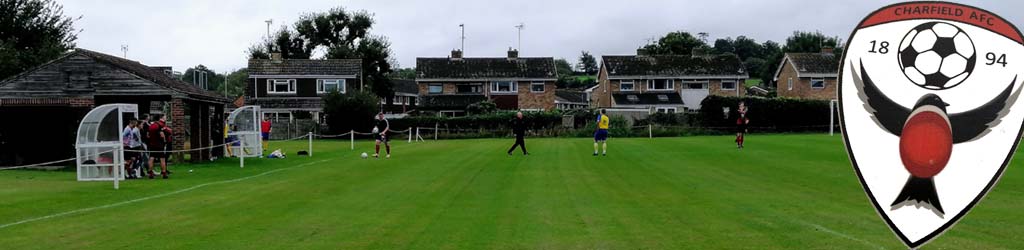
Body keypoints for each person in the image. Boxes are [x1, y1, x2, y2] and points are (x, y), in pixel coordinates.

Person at [147, 115, 170, 179]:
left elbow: (148, 135)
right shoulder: (160, 125)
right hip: (159, 145)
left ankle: (150, 172)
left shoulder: (151, 125)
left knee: (151, 157)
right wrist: (164, 141)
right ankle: (164, 173)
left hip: (152, 144)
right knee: (162, 158)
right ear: (159, 119)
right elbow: (162, 135)